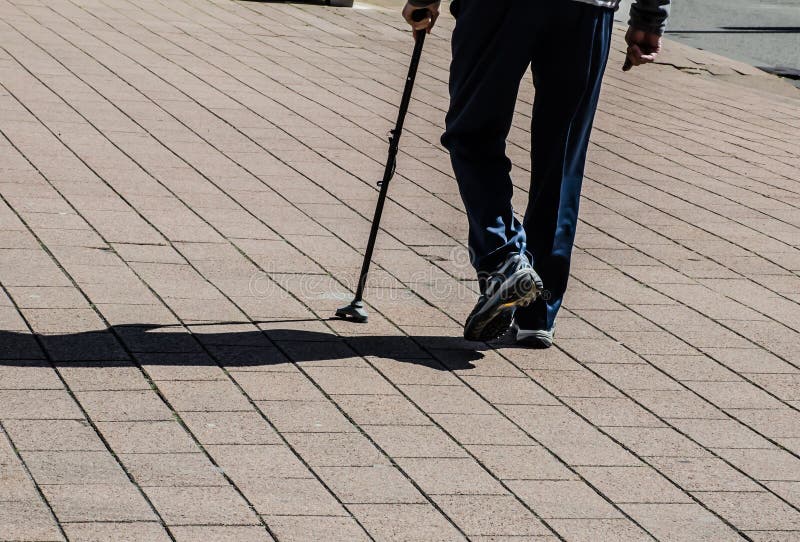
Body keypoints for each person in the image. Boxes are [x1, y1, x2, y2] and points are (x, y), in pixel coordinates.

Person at [402, 0, 670, 347]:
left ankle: (503, 259)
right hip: (588, 9)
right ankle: (537, 312)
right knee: (563, 153)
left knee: (472, 132)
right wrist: (650, 15)